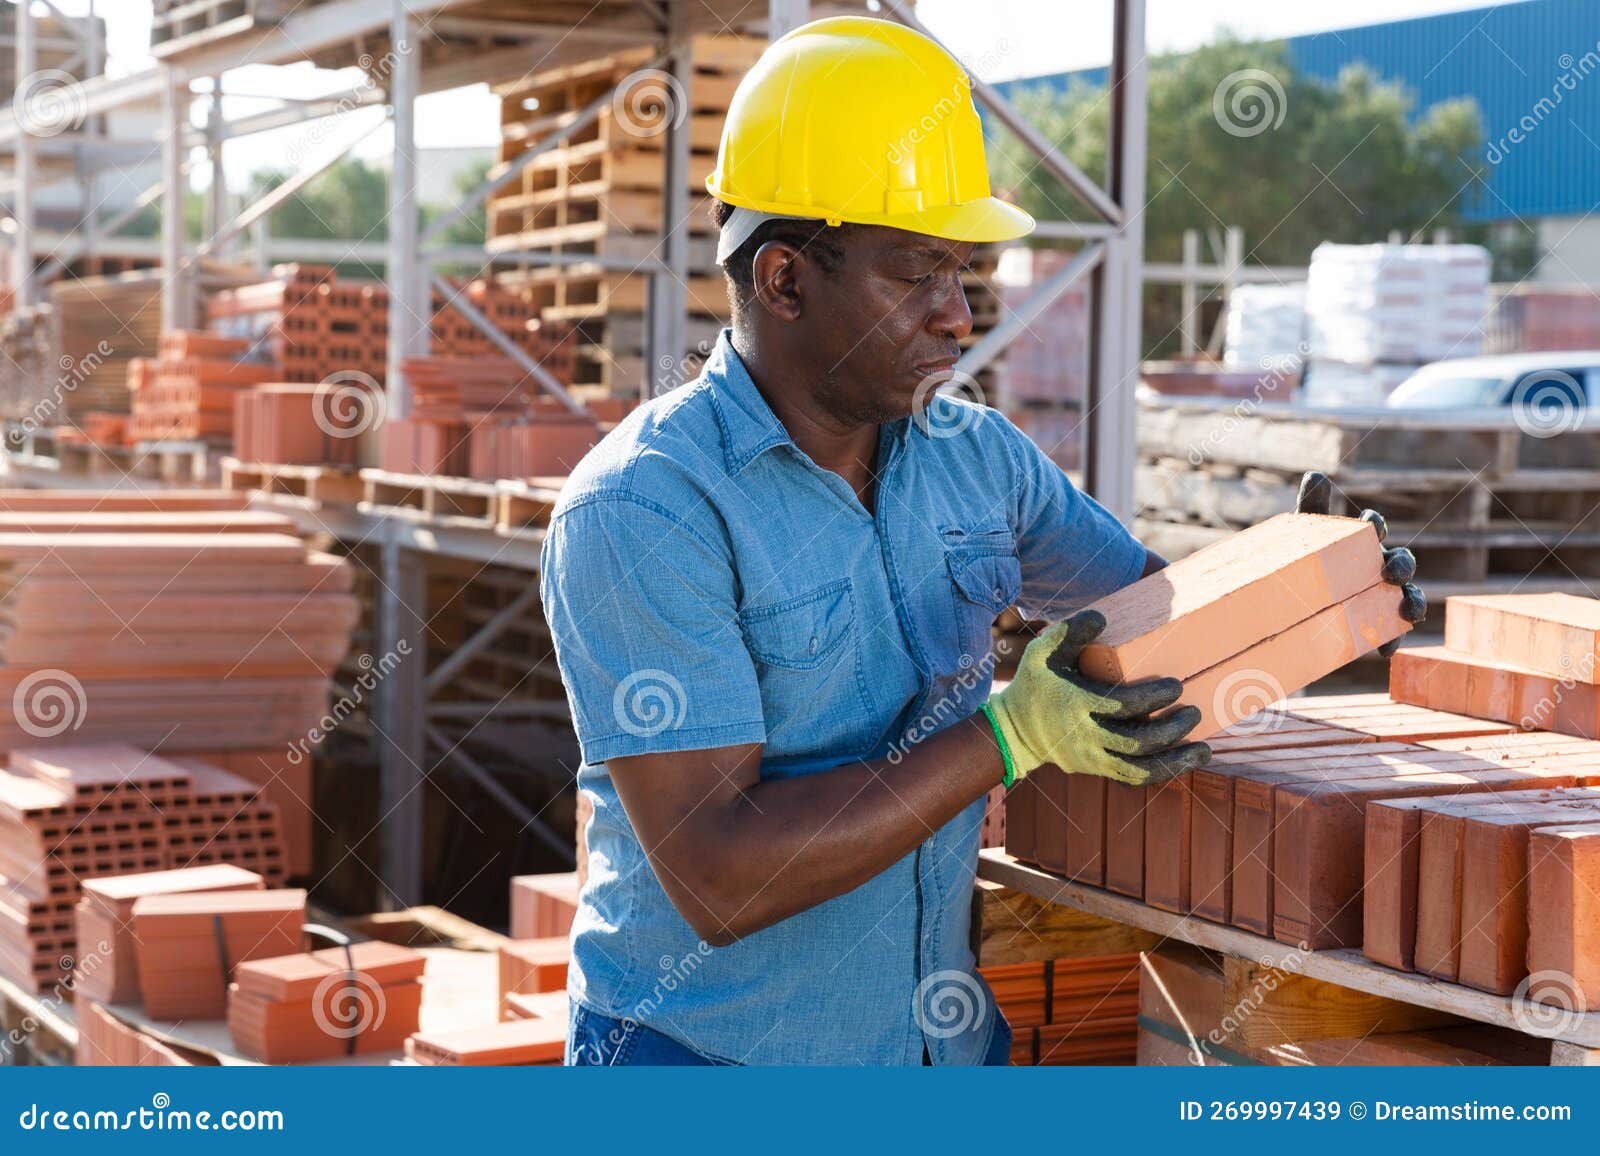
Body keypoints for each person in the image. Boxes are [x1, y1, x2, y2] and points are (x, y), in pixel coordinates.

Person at [539, 16, 1423, 1066]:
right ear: (783, 280)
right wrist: (1006, 736)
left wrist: (1305, 586)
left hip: (936, 1046)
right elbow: (719, 875)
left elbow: (1154, 618)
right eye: (917, 273)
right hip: (710, 1061)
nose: (958, 315)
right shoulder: (645, 513)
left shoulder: (977, 459)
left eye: (964, 272)